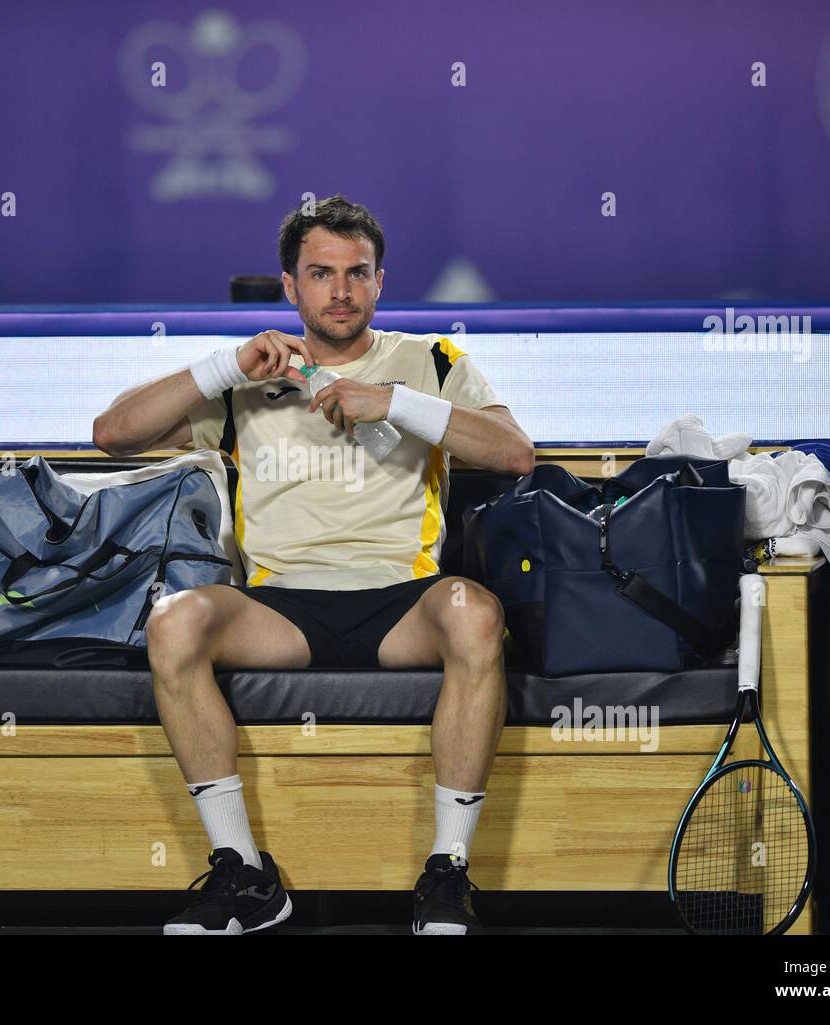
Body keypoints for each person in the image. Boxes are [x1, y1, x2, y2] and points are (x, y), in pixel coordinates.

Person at [92, 195, 535, 934]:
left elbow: (515, 453)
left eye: (357, 273)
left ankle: (447, 874)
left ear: (380, 282)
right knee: (173, 621)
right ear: (290, 287)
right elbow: (113, 433)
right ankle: (245, 876)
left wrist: (391, 402)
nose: (341, 290)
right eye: (321, 274)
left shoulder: (427, 361)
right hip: (279, 608)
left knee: (476, 612)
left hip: (404, 602)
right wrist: (222, 364)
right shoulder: (247, 377)